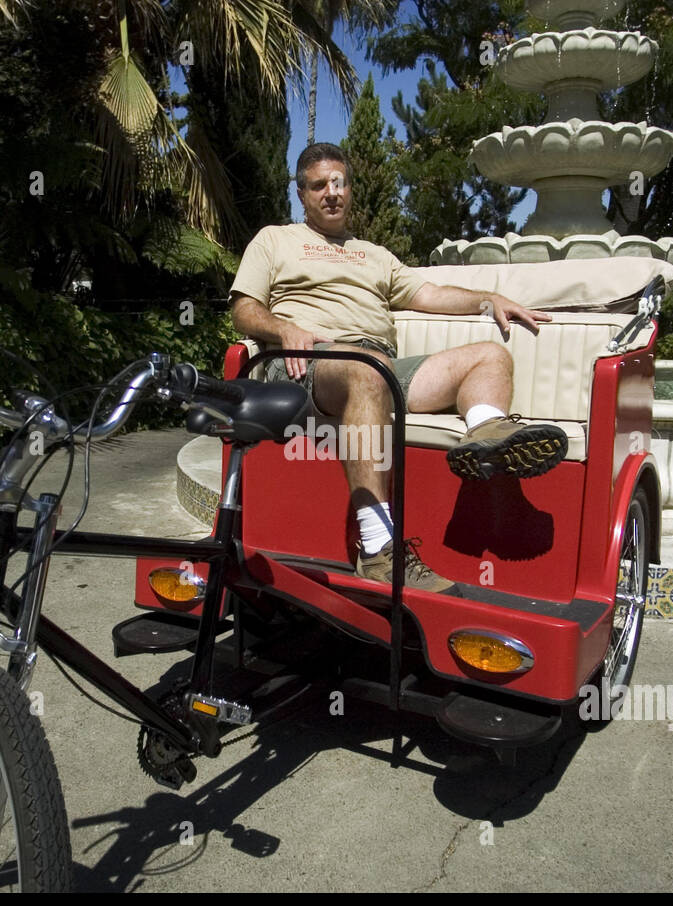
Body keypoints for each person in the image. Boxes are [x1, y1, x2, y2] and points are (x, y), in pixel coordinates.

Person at [228, 142, 567, 593]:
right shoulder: (275, 240)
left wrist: (488, 300)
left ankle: (486, 438)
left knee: (489, 356)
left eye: (339, 182)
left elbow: (429, 295)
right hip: (305, 365)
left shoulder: (375, 254)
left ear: (349, 188)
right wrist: (284, 327)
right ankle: (376, 549)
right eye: (318, 186)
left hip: (377, 367)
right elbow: (244, 311)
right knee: (366, 368)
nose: (331, 193)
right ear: (302, 194)